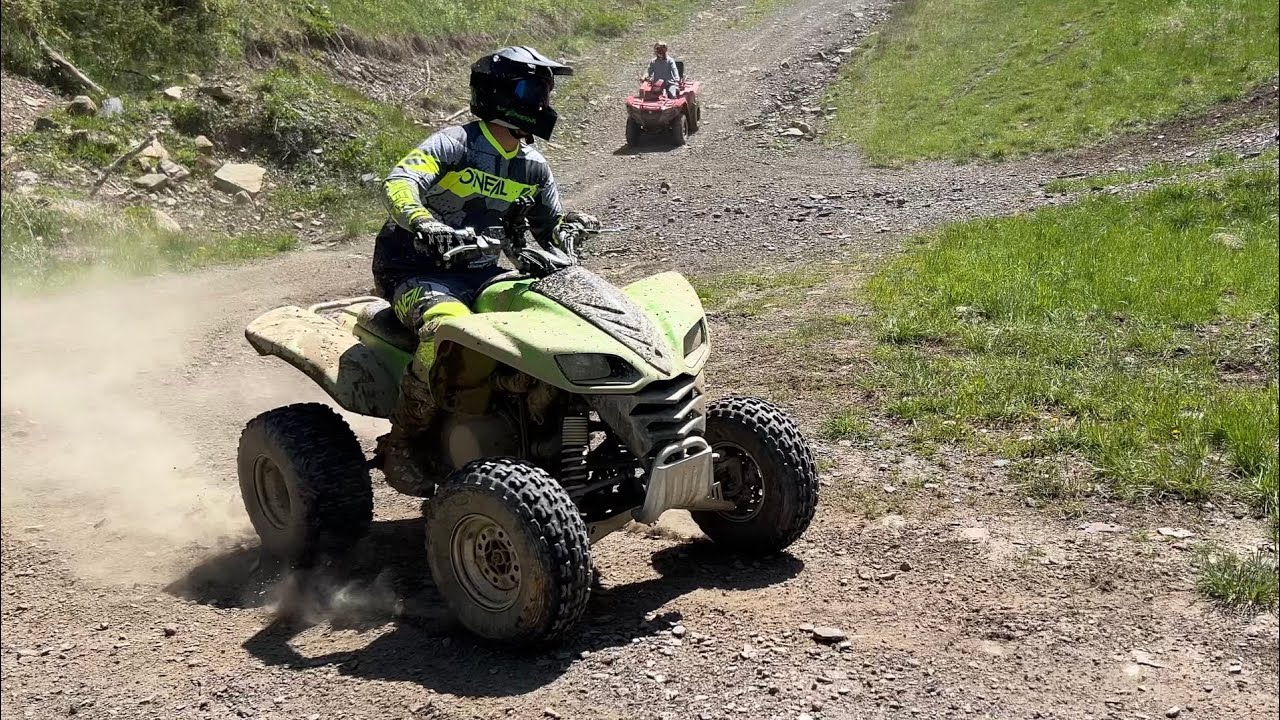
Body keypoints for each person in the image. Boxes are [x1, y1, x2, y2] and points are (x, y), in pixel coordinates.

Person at [373, 45, 598, 494]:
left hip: (480, 273)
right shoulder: (454, 144)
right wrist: (424, 223)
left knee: (554, 313)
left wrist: (571, 230)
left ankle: (532, 423)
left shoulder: (533, 167)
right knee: (447, 330)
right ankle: (405, 436)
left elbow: (550, 229)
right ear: (503, 93)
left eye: (546, 92)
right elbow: (399, 181)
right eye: (537, 89)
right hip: (415, 271)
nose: (545, 102)